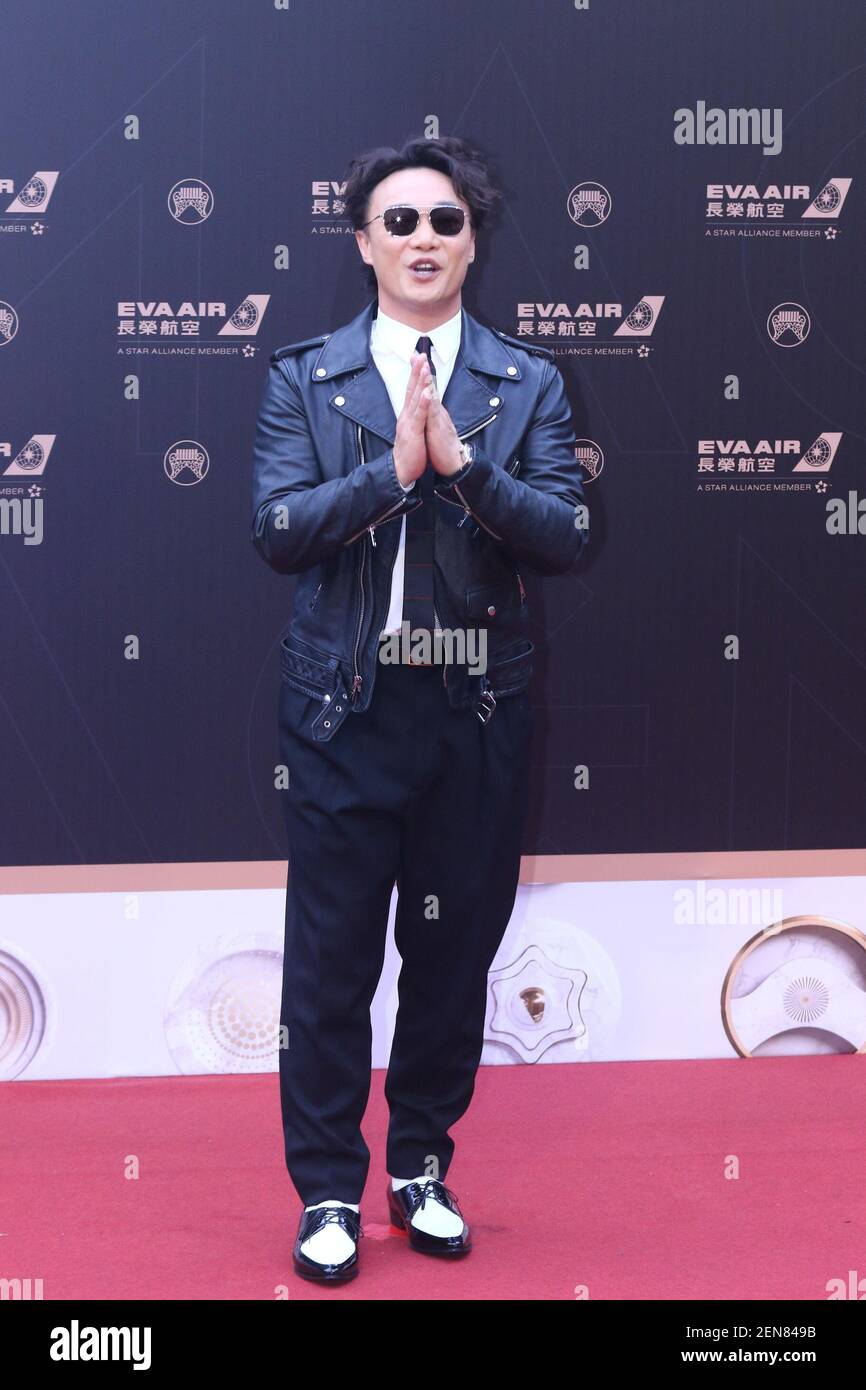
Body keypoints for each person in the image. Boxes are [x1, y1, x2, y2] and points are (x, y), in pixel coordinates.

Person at [250, 134, 588, 1283]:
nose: (422, 240)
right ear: (362, 243)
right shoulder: (305, 375)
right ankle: (328, 1193)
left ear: (471, 240)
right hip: (342, 717)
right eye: (399, 222)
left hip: (474, 718)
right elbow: (277, 531)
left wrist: (465, 468)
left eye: (444, 221)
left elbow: (564, 535)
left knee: (448, 964)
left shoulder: (525, 382)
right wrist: (391, 472)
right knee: (331, 966)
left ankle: (420, 1169)